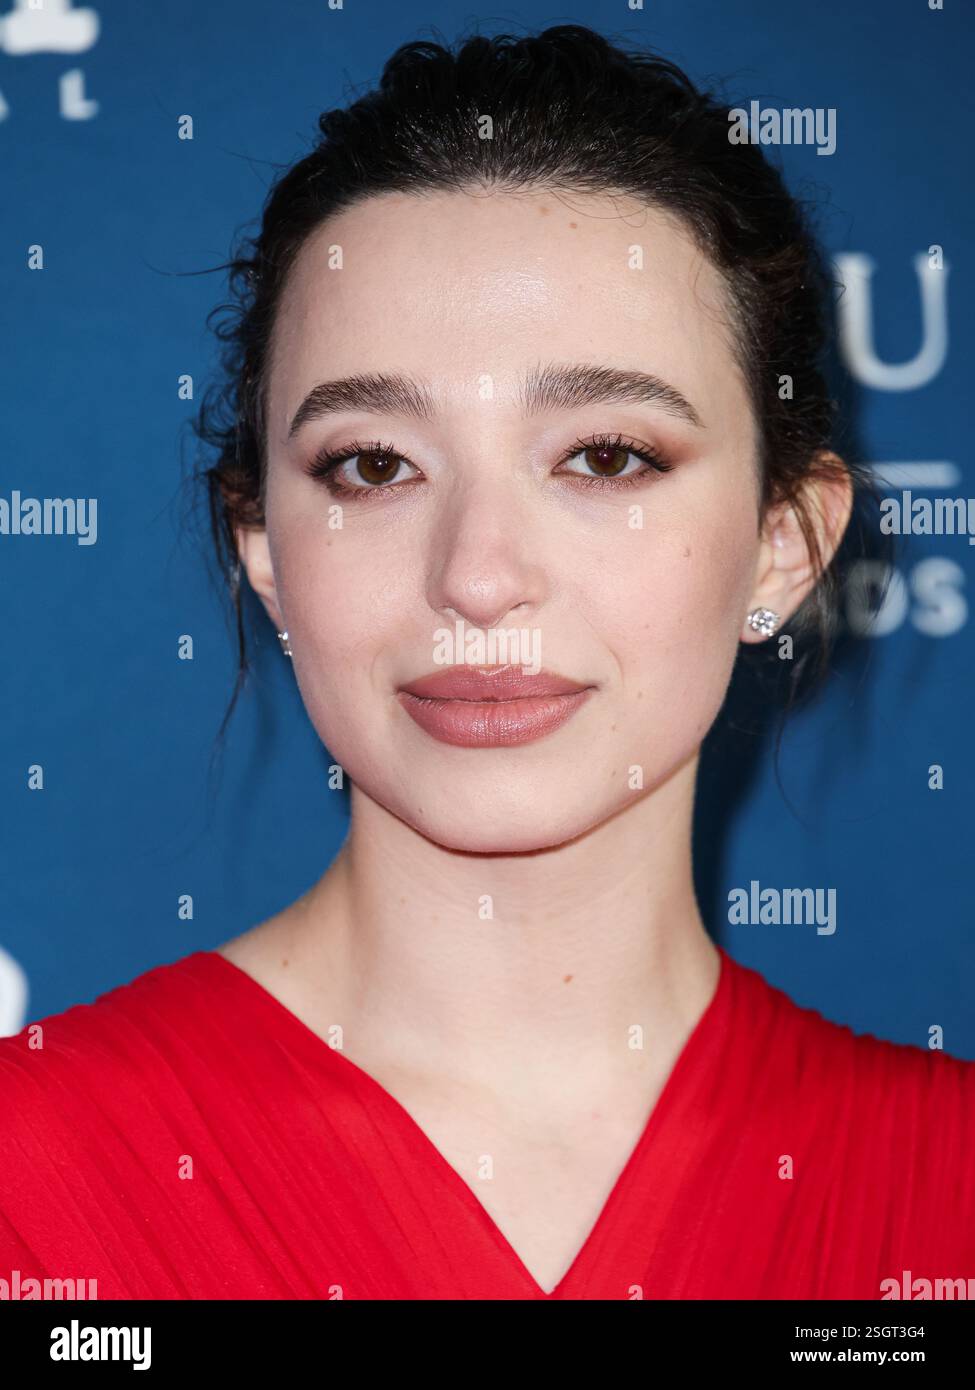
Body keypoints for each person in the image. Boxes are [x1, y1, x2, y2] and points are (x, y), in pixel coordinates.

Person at [1, 25, 972, 1302]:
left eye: (607, 456)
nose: (478, 574)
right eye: (373, 464)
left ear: (786, 545)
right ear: (266, 549)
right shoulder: (34, 1179)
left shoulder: (943, 1190)